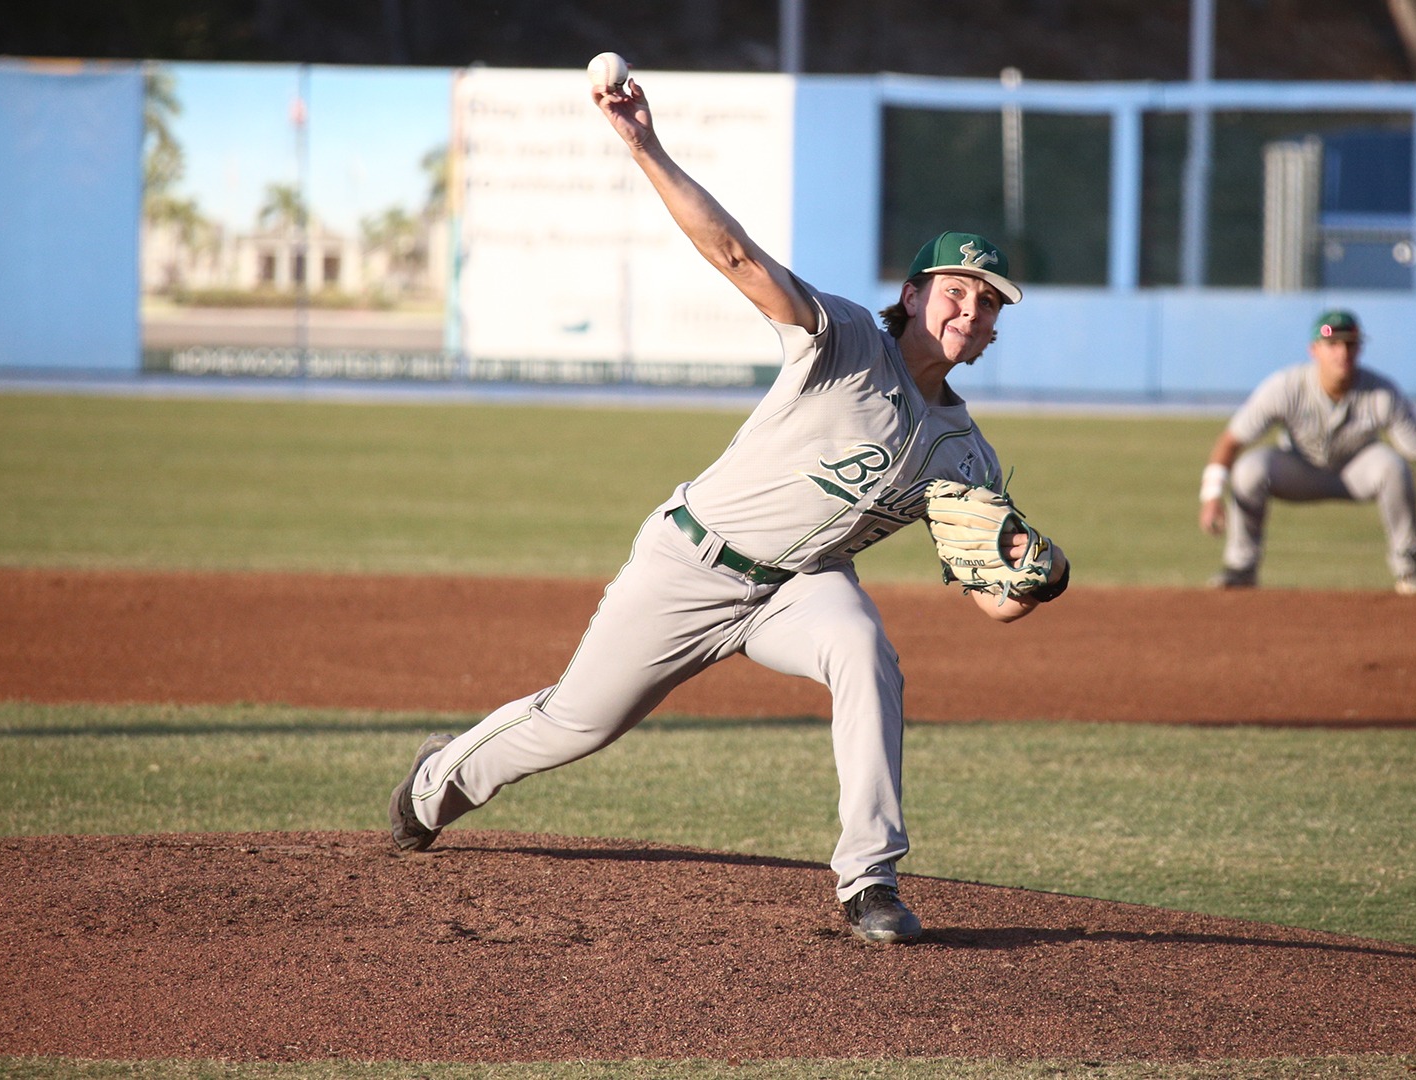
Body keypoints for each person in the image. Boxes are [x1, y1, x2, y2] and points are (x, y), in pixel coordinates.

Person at [388, 71, 1070, 945]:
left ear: (991, 333)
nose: (968, 310)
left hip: (799, 586)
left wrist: (1040, 577)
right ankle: (434, 781)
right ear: (913, 294)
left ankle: (870, 879)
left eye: (986, 305)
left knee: (865, 652)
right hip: (692, 560)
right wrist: (645, 146)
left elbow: (994, 603)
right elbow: (738, 257)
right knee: (576, 724)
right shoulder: (848, 342)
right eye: (955, 290)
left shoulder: (965, 457)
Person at [1198, 309, 1416, 595]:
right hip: (1299, 469)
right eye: (1332, 344)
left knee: (1393, 466)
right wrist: (1211, 496)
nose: (1342, 353)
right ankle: (1240, 569)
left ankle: (1411, 571)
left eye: (1350, 344)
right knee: (1249, 469)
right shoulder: (1286, 386)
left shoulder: (1381, 393)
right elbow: (1231, 441)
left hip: (1357, 470)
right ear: (1314, 349)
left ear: (1359, 348)